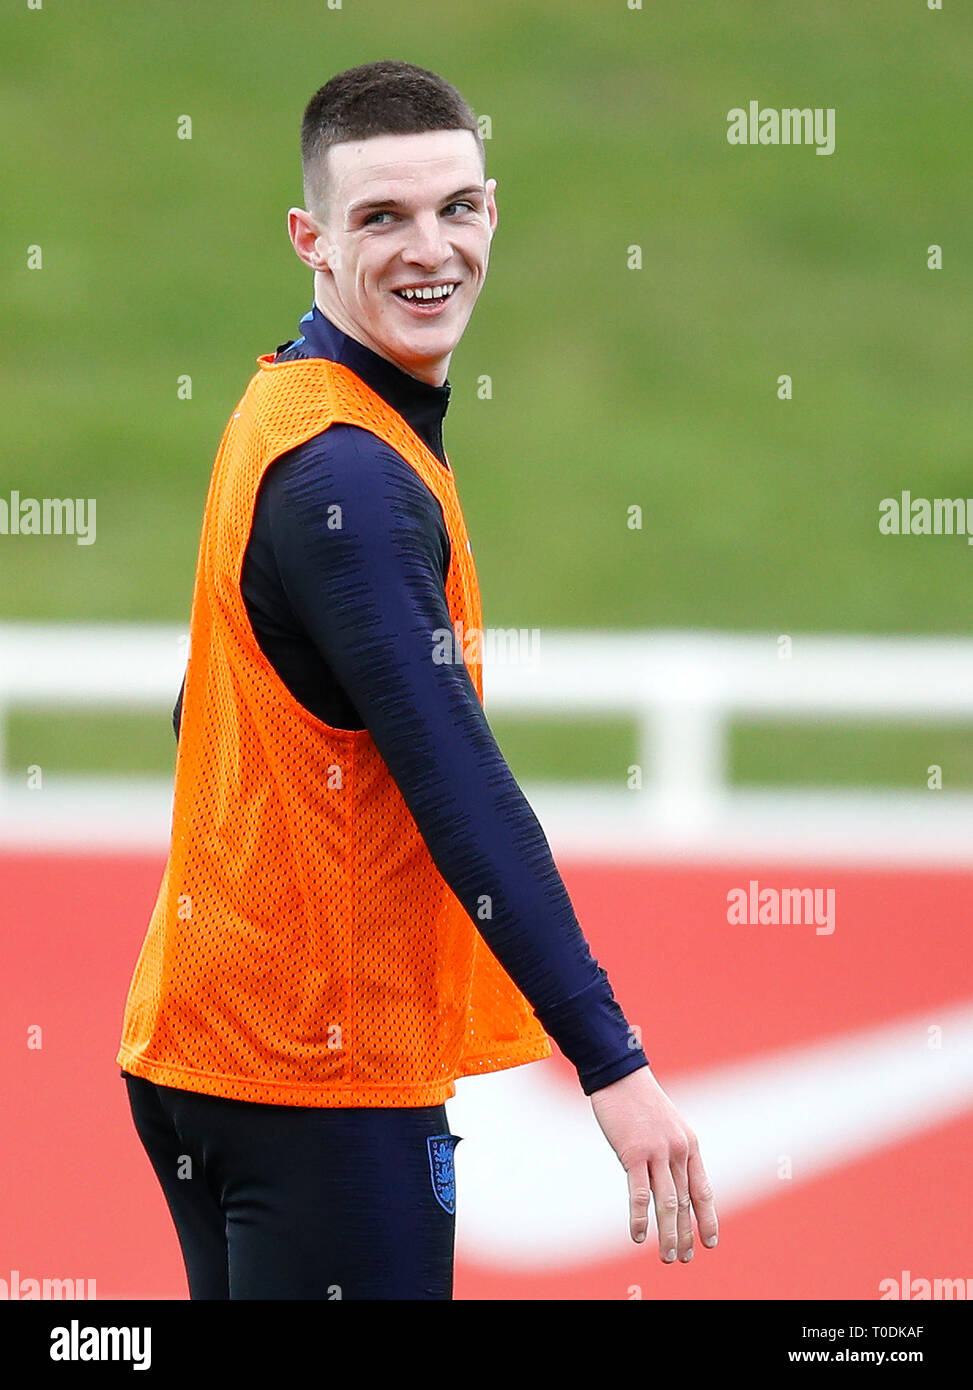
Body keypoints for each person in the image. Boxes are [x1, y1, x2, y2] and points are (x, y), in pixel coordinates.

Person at [116, 58, 718, 1300]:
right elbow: (456, 782)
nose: (426, 248)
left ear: (493, 208)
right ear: (312, 240)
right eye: (380, 217)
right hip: (312, 1076)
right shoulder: (352, 481)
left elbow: (205, 707)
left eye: (453, 207)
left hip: (203, 1044)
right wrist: (611, 1061)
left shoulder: (282, 398)